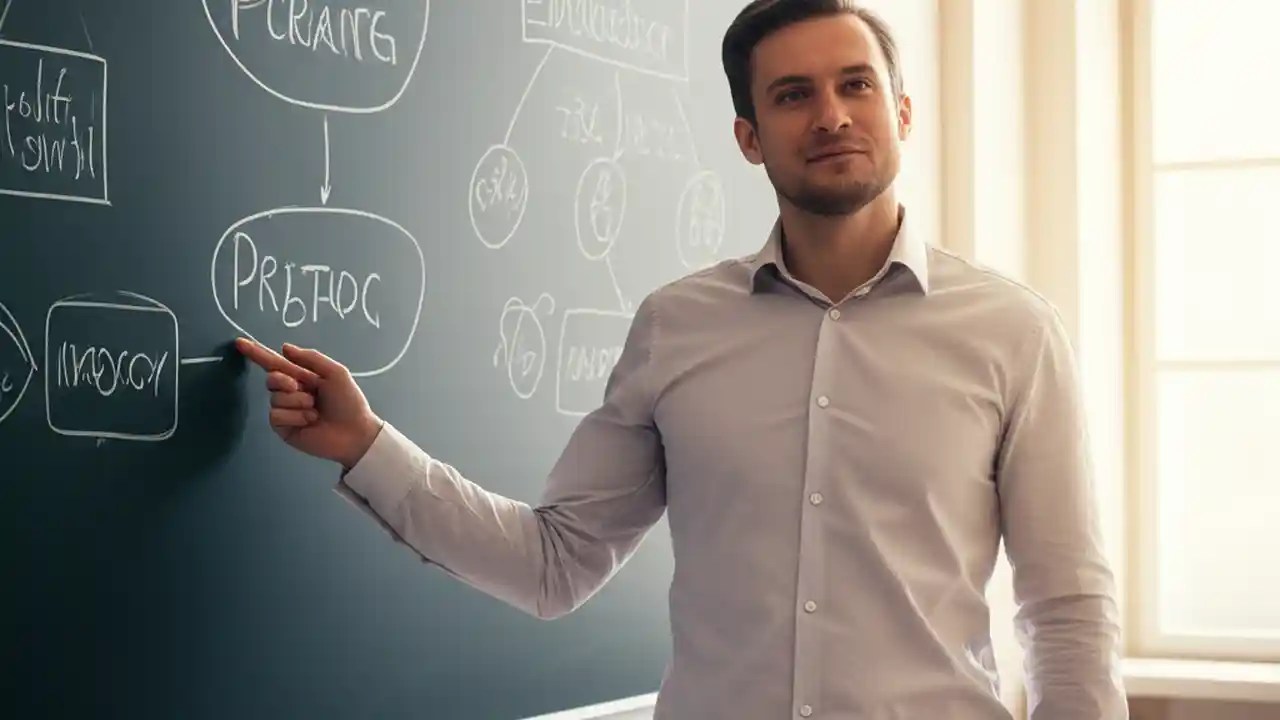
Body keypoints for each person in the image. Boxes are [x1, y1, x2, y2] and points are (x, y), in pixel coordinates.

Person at [236, 1, 1128, 717]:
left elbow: (1067, 609)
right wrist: (366, 447)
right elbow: (554, 565)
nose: (830, 115)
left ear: (900, 112)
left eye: (855, 85)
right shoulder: (678, 327)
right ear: (749, 137)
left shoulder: (1014, 333)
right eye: (791, 95)